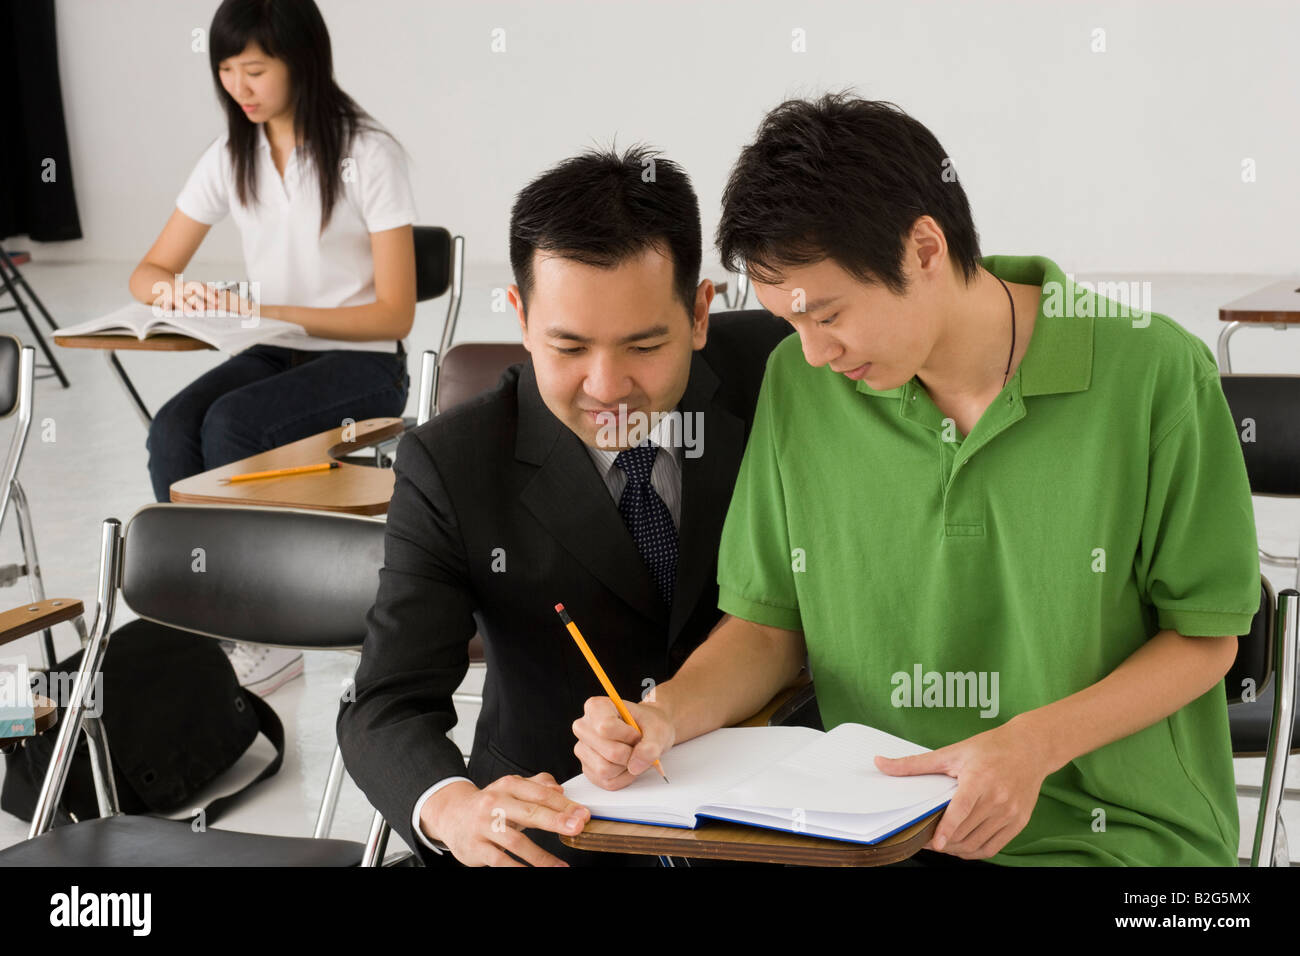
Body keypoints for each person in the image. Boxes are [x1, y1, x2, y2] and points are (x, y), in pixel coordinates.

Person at [572, 93, 1260, 867]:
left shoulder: (1154, 372)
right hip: (875, 835)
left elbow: (1205, 637)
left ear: (925, 249)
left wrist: (1029, 746)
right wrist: (664, 715)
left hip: (1118, 837)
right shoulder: (800, 386)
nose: (813, 351)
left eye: (828, 314)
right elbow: (768, 628)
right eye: (790, 322)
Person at [337, 145, 790, 866]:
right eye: (569, 347)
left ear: (701, 313)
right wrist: (457, 811)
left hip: (772, 819)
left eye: (644, 345)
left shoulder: (785, 373)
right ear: (519, 317)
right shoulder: (451, 463)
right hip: (553, 831)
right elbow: (385, 704)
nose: (607, 387)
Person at [128, 0, 416, 695]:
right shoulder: (234, 157)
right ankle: (204, 624)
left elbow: (396, 309)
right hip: (273, 350)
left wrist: (264, 308)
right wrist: (176, 294)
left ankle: (267, 633)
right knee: (172, 427)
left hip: (366, 362)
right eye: (225, 70)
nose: (239, 87)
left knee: (233, 423)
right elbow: (147, 272)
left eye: (254, 69)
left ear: (301, 61)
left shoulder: (369, 154)